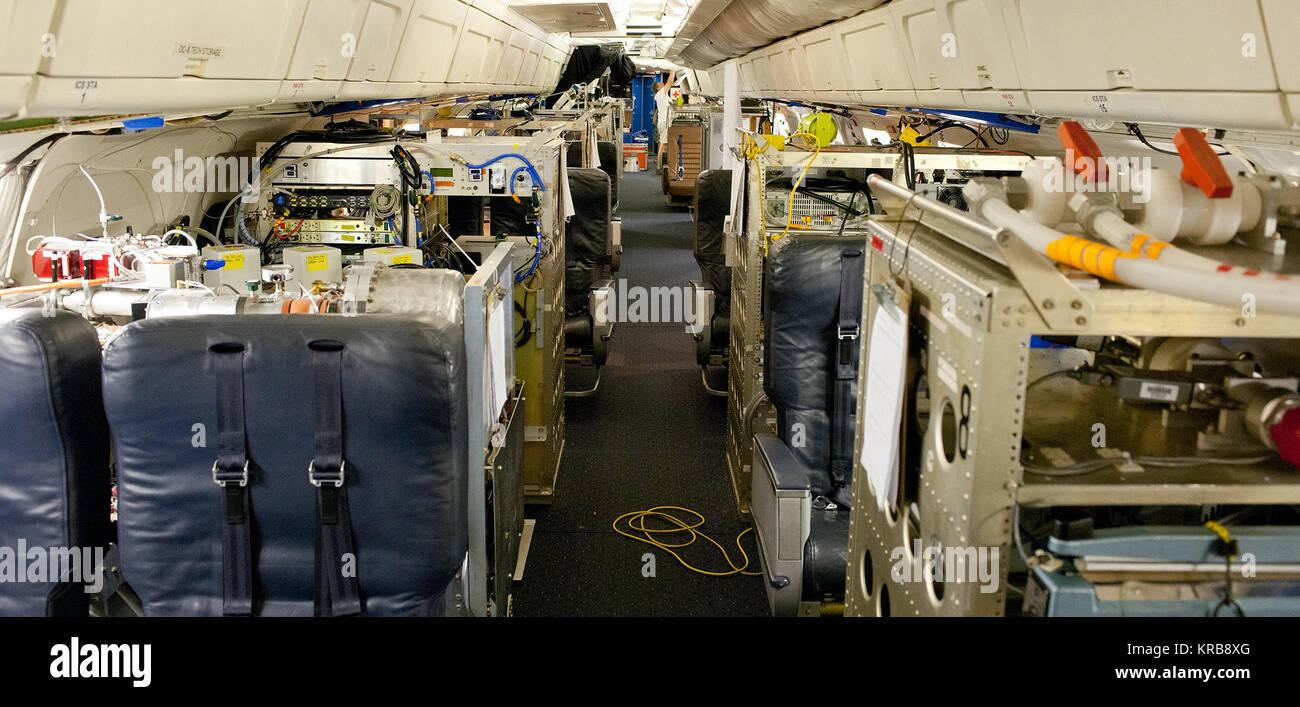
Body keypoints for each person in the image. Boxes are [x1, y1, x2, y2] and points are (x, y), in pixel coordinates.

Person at [653, 70, 676, 170]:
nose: (663, 84)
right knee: (663, 145)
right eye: (661, 84)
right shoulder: (660, 93)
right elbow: (670, 82)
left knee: (663, 144)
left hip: (664, 122)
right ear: (658, 88)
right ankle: (659, 167)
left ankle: (662, 165)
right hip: (664, 122)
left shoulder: (663, 95)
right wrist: (673, 69)